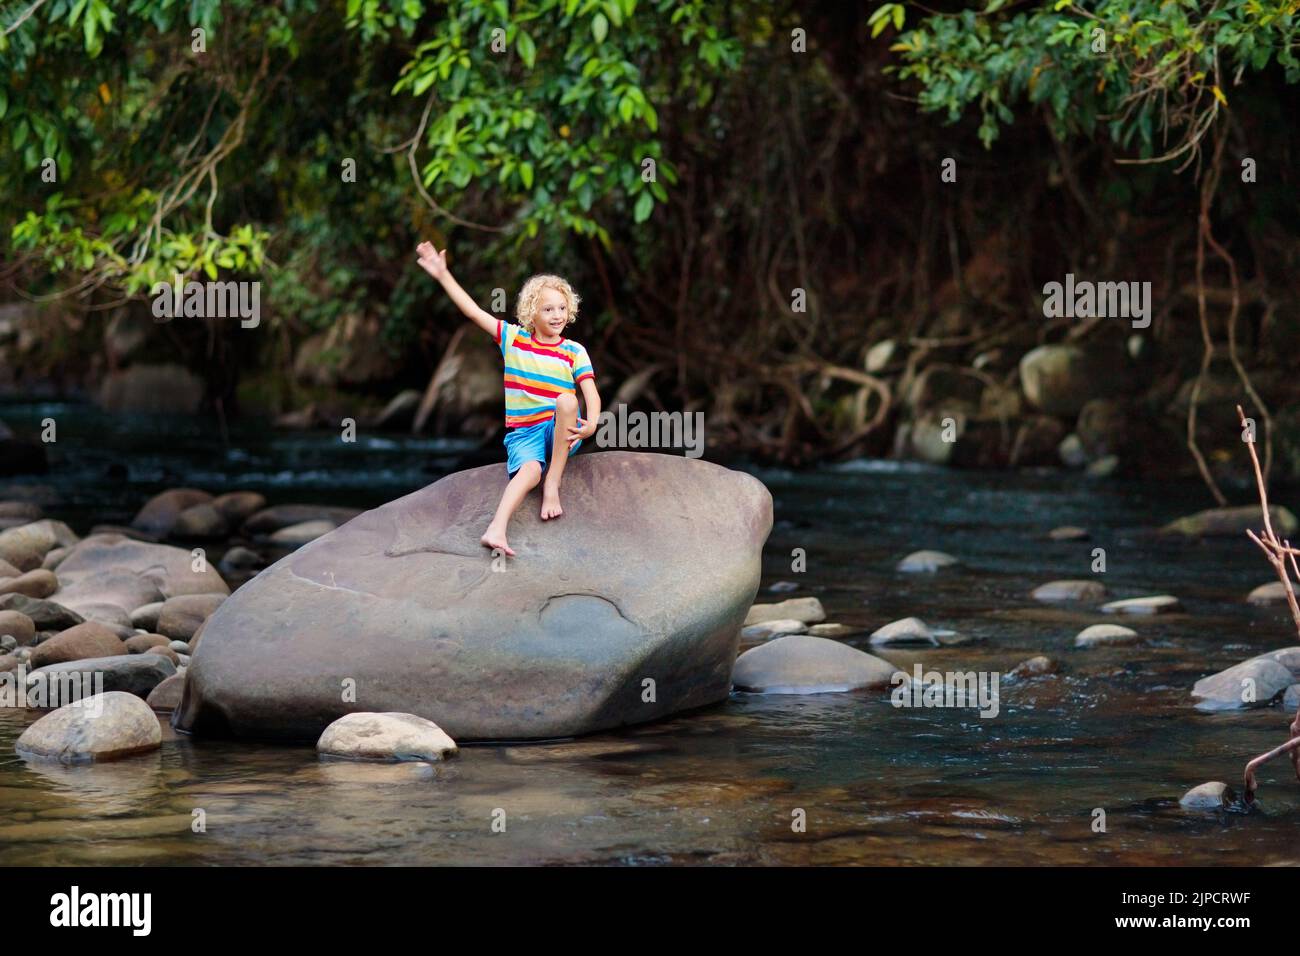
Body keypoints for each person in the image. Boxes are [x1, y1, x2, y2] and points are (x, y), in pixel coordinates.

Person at [416, 242, 601, 556]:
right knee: (529, 472)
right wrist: (443, 275)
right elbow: (473, 311)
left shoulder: (574, 351)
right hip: (524, 433)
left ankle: (552, 484)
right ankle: (496, 529)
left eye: (561, 308)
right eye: (548, 309)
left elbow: (591, 394)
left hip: (561, 430)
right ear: (531, 312)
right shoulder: (513, 339)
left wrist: (593, 423)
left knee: (568, 402)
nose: (557, 315)